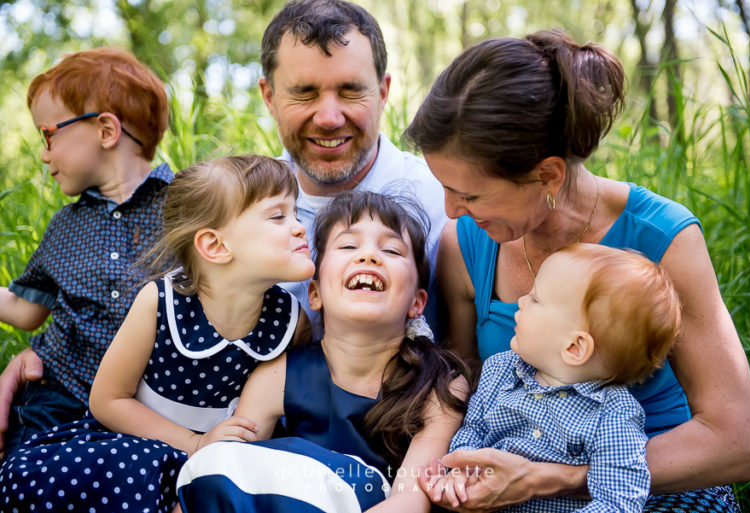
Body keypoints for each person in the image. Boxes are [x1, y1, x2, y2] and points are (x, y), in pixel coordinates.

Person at [404, 30, 750, 512]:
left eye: (470, 194)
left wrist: (551, 480)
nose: (450, 210)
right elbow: (464, 396)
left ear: (548, 175)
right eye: (445, 189)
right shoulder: (465, 244)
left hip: (657, 490)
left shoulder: (661, 236)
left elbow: (737, 443)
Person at [0, 155, 316, 512]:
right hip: (136, 445)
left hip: (221, 461)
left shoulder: (290, 322)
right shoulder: (162, 302)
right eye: (278, 217)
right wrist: (193, 444)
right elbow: (108, 400)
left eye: (295, 213)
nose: (299, 227)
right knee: (27, 476)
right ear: (216, 246)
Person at [174, 191, 469, 513]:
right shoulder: (278, 375)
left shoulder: (439, 385)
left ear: (417, 302)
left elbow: (411, 498)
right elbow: (227, 475)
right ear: (314, 294)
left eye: (391, 250)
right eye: (348, 246)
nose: (368, 256)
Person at [0, 47, 172, 456]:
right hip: (56, 397)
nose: (43, 153)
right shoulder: (65, 226)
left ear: (106, 130)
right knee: (25, 476)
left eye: (48, 134)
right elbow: (26, 310)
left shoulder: (187, 208)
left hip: (151, 407)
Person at [426, 243, 681, 512]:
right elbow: (473, 429)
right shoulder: (499, 371)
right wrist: (463, 471)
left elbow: (617, 502)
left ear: (574, 347)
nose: (521, 301)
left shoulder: (612, 416)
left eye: (535, 299)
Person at [259, 0, 447, 336]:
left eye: (350, 92)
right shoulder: (237, 209)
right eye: (305, 94)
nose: (329, 119)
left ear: (383, 92)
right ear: (269, 98)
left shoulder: (444, 207)